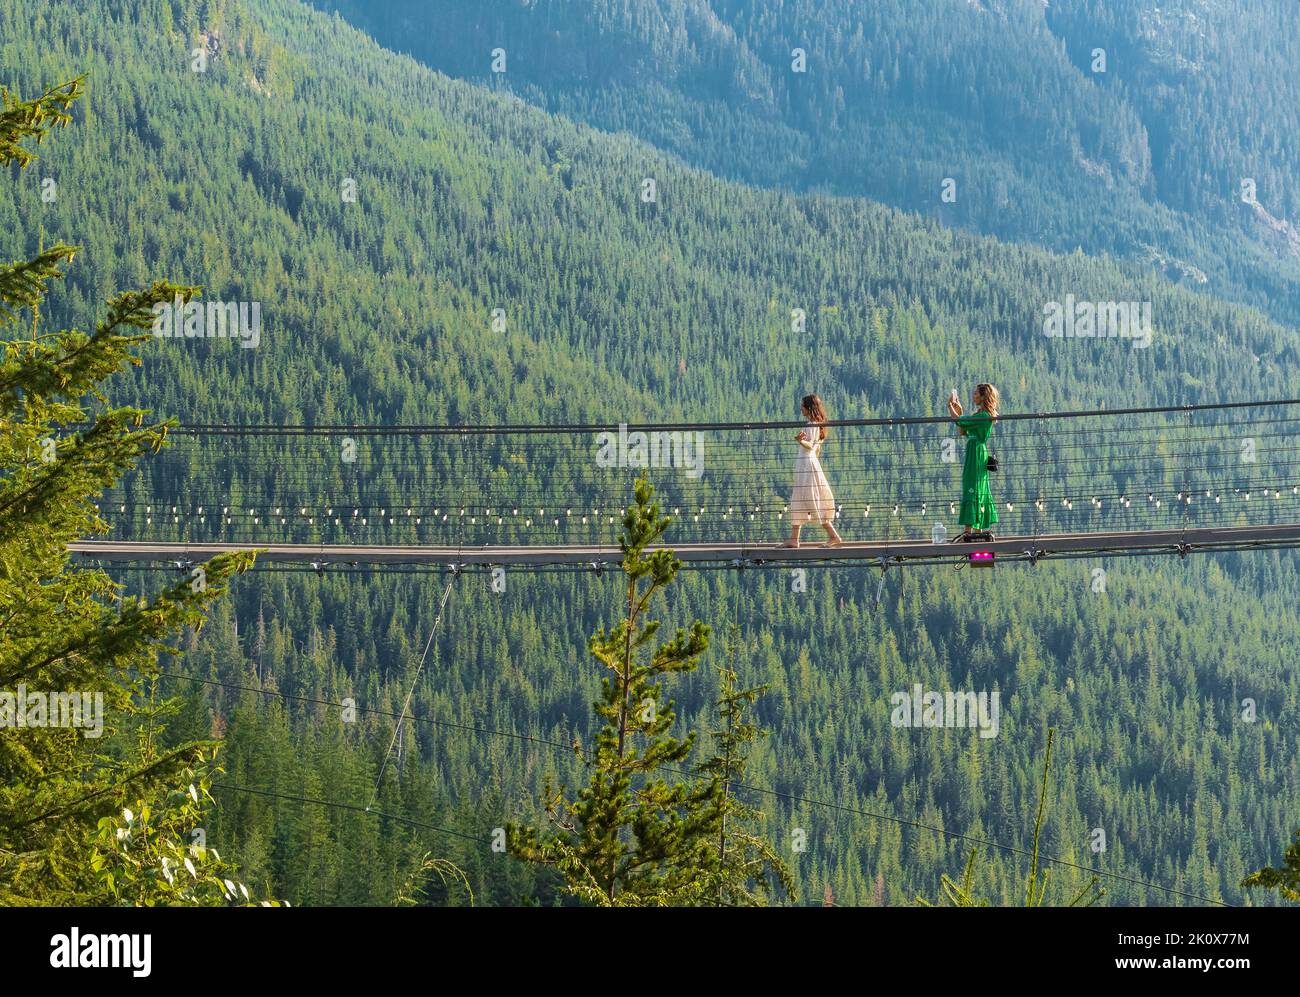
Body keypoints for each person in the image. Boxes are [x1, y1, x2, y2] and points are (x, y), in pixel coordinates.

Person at [780, 393, 843, 548]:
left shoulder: (811, 424)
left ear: (808, 407)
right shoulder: (816, 423)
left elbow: (810, 445)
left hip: (806, 465)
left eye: (802, 405)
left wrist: (800, 440)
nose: (800, 408)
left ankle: (833, 536)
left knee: (810, 499)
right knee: (802, 498)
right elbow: (817, 447)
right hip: (808, 464)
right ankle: (794, 539)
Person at [947, 383, 999, 540]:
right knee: (975, 486)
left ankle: (970, 531)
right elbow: (962, 430)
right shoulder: (981, 415)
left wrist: (950, 406)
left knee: (972, 486)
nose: (973, 396)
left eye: (976, 394)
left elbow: (960, 422)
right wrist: (960, 413)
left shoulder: (983, 416)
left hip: (976, 454)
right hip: (975, 452)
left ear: (983, 397)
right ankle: (976, 530)